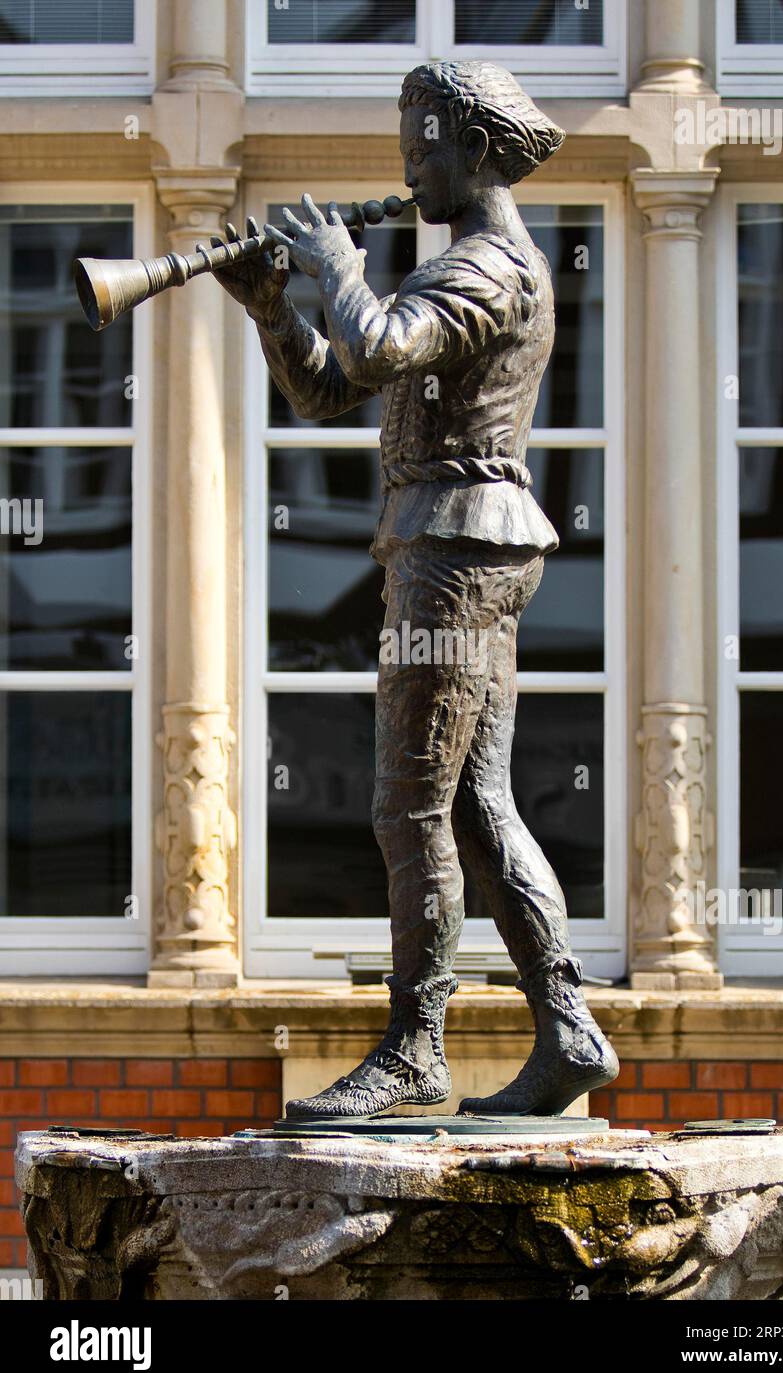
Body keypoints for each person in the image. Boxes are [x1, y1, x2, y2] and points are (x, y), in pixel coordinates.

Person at [212, 61, 619, 1117]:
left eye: (423, 144)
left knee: (407, 807)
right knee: (475, 807)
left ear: (476, 149)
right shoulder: (459, 268)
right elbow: (329, 385)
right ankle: (567, 1029)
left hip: (452, 555)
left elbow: (378, 339)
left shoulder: (489, 268)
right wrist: (271, 309)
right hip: (447, 547)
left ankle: (413, 1046)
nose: (408, 165)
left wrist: (340, 266)